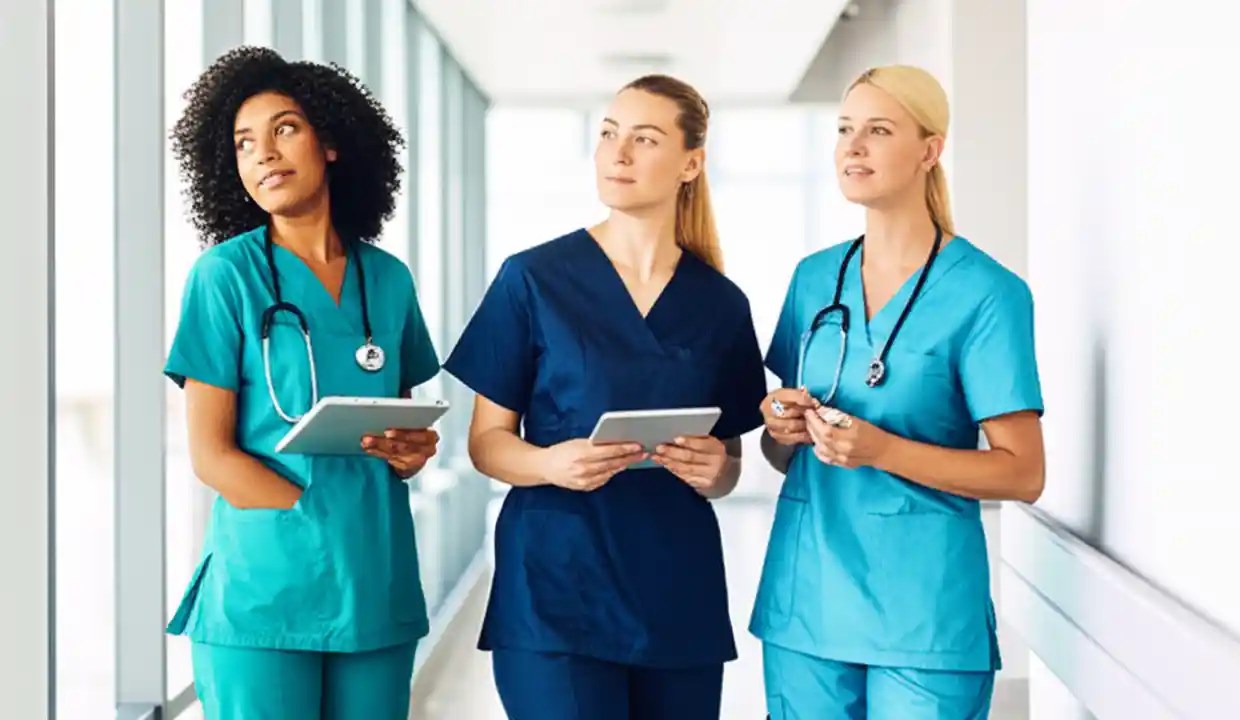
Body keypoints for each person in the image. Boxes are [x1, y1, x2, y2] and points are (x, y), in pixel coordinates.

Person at [443, 74, 767, 719]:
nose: (617, 154)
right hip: (555, 587)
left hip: (677, 592)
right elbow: (486, 444)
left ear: (691, 164)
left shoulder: (720, 304)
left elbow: (726, 464)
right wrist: (548, 463)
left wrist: (717, 470)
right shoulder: (532, 279)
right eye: (609, 134)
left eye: (644, 139)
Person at [752, 64, 1046, 719]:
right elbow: (782, 456)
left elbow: (1023, 473)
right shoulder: (814, 278)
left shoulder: (987, 293)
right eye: (844, 129)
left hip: (924, 614)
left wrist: (883, 450)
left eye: (879, 130)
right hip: (808, 600)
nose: (853, 147)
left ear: (929, 150)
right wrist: (782, 429)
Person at [164, 46, 441, 719]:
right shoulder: (225, 277)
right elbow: (211, 455)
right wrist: (311, 515)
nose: (264, 153)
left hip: (373, 583)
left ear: (332, 143)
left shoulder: (389, 280)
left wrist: (412, 451)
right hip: (264, 589)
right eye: (243, 143)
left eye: (284, 129)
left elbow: (401, 432)